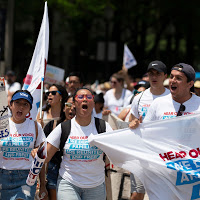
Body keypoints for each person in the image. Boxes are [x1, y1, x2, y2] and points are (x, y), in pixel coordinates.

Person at [129, 63, 200, 200]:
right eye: (172, 77)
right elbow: (147, 135)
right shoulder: (158, 104)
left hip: (190, 174)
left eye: (179, 78)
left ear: (190, 84)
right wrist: (136, 126)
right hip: (162, 170)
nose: (172, 80)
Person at [45, 87, 113, 200]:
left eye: (89, 97)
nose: (85, 100)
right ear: (75, 104)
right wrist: (36, 152)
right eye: (80, 97)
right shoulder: (63, 128)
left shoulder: (103, 127)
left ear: (93, 103)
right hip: (68, 183)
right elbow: (45, 156)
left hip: (96, 186)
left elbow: (118, 150)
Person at [129, 60, 170, 200]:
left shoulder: (173, 98)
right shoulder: (139, 98)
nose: (154, 77)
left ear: (165, 76)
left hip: (165, 155)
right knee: (137, 194)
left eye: (158, 74)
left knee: (163, 194)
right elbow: (131, 121)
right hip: (142, 153)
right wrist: (133, 124)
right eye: (151, 73)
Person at [0, 90, 46, 199]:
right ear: (11, 105)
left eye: (25, 104)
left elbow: (43, 157)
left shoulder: (35, 126)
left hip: (26, 179)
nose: (21, 107)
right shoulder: (2, 125)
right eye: (17, 103)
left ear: (29, 109)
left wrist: (43, 185)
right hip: (2, 177)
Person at [43, 95, 76, 200]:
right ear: (63, 108)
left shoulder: (84, 129)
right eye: (68, 105)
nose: (71, 108)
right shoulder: (53, 125)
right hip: (54, 168)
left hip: (74, 171)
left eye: (75, 106)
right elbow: (42, 150)